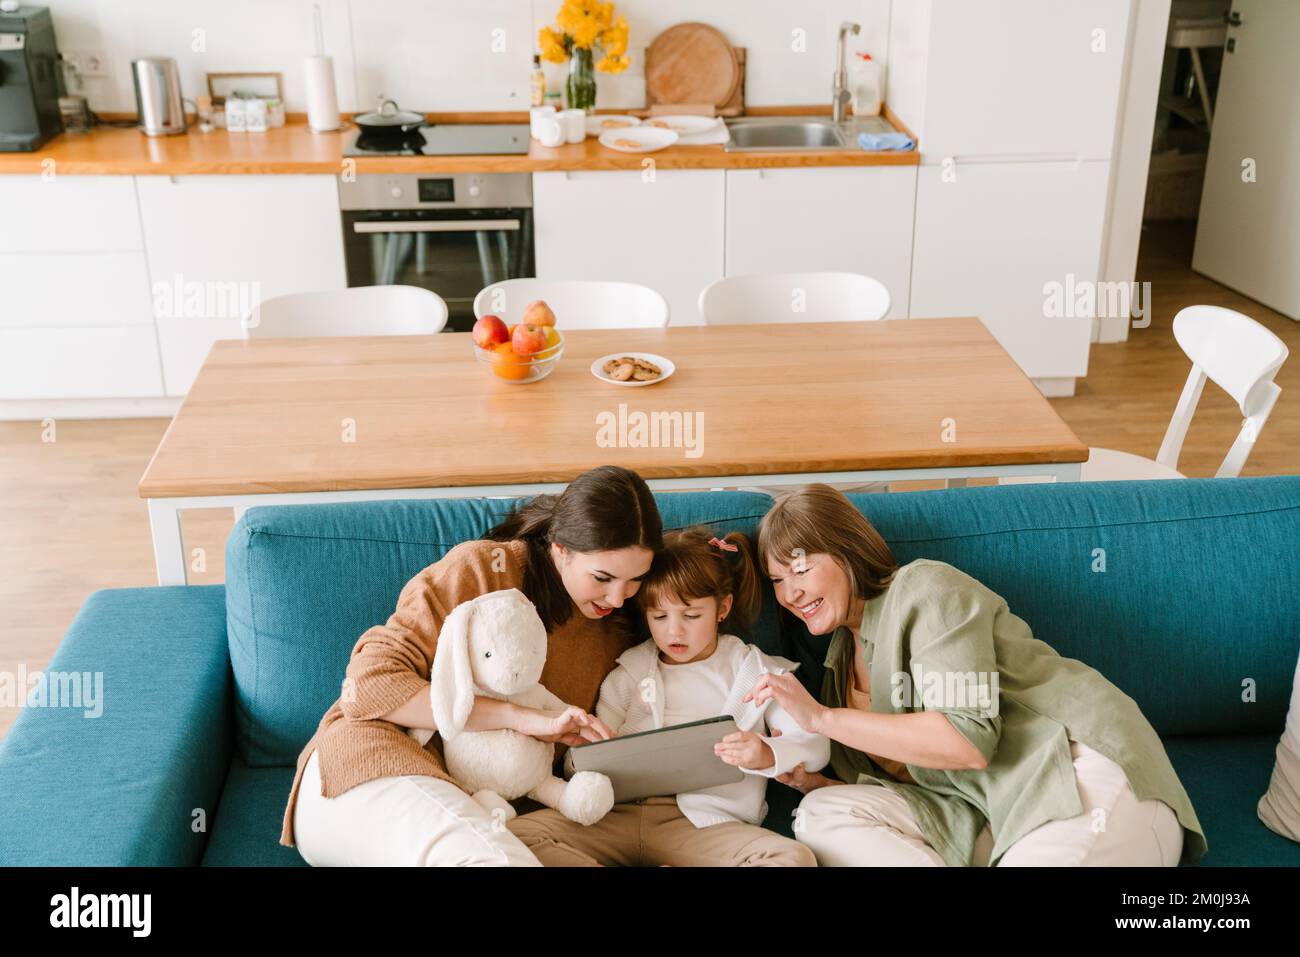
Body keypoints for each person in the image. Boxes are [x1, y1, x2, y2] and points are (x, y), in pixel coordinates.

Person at [747, 484, 1207, 867]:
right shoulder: (838, 666)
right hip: (987, 812)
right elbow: (913, 775)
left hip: (1073, 771)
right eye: (778, 580)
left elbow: (966, 742)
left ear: (848, 550)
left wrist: (821, 719)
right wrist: (819, 781)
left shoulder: (924, 590)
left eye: (802, 569)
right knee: (821, 813)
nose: (791, 592)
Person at [280, 465, 661, 866]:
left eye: (635, 580)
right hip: (370, 764)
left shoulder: (620, 627)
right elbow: (368, 688)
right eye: (602, 577)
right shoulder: (484, 570)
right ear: (560, 548)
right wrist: (517, 717)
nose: (618, 597)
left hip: (483, 807)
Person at [507, 526, 828, 866]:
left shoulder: (758, 674)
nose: (674, 631)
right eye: (659, 617)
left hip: (702, 824)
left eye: (691, 616)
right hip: (615, 815)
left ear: (723, 608)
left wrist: (765, 752)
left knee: (790, 858)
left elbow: (815, 743)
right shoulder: (627, 673)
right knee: (512, 836)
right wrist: (582, 757)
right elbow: (584, 761)